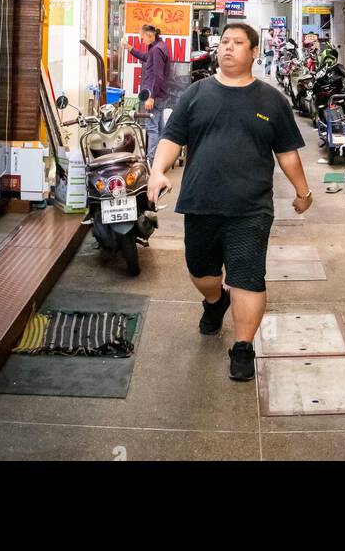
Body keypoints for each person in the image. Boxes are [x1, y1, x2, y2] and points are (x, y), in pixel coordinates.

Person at [147, 21, 312, 383]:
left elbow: (286, 153)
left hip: (250, 208)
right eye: (224, 42)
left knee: (247, 277)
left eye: (238, 43)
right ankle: (213, 301)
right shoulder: (196, 93)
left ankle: (242, 347)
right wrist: (158, 170)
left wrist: (303, 192)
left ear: (254, 52)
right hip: (201, 201)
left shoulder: (271, 100)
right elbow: (173, 138)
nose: (228, 48)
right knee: (201, 272)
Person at [128, 24, 170, 164]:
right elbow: (147, 58)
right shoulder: (158, 46)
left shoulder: (157, 50)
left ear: (150, 35)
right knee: (159, 127)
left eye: (142, 37)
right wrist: (130, 49)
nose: (141, 40)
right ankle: (164, 156)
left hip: (155, 95)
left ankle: (150, 162)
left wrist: (151, 97)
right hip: (160, 94)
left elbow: (158, 76)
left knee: (152, 129)